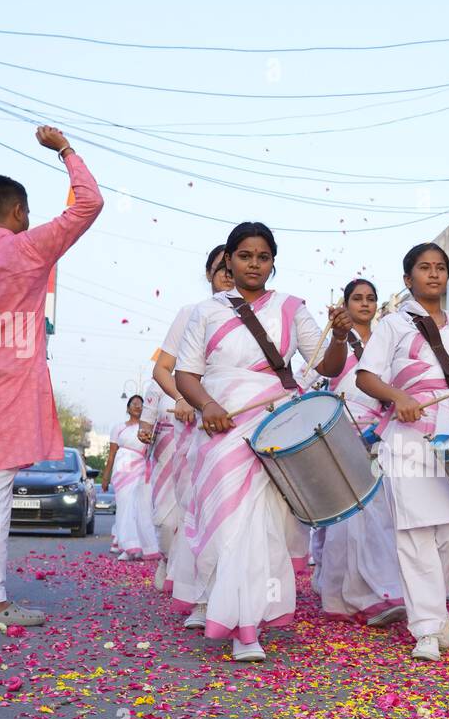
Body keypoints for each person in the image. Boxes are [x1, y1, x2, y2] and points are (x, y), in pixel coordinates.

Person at [173, 221, 351, 663]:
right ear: (229, 261)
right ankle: (235, 617)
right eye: (246, 256)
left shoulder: (292, 308)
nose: (254, 264)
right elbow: (185, 375)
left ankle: (248, 624)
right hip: (222, 430)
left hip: (275, 427)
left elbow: (326, 365)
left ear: (273, 262)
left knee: (265, 526)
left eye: (263, 256)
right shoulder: (206, 311)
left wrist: (342, 336)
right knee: (230, 527)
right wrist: (208, 405)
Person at [0, 127, 103, 628]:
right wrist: (64, 149)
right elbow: (89, 203)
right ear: (18, 213)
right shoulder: (30, 249)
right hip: (6, 393)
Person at [355, 243, 449, 662]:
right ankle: (426, 628)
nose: (435, 274)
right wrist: (397, 396)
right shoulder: (392, 324)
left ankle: (430, 606)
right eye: (425, 268)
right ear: (408, 279)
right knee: (415, 533)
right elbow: (366, 377)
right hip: (405, 437)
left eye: (441, 268)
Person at [140, 245, 233, 605]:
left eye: (232, 265)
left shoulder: (264, 314)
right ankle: (192, 586)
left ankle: (225, 597)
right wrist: (184, 399)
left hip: (240, 424)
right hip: (194, 426)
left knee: (230, 514)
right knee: (184, 512)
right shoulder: (192, 313)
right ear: (208, 274)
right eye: (219, 268)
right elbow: (162, 369)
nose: (227, 273)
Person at [314, 278, 406, 627]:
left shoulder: (388, 338)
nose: (365, 304)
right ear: (346, 303)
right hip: (344, 434)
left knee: (379, 517)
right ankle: (342, 597)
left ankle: (379, 594)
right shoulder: (334, 339)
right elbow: (326, 372)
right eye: (357, 298)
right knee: (346, 521)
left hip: (382, 433)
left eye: (371, 298)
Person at [102, 396, 160, 562]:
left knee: (140, 507)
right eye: (134, 404)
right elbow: (112, 454)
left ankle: (142, 546)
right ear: (128, 408)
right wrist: (105, 476)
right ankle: (127, 545)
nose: (137, 407)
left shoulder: (148, 429)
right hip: (122, 470)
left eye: (141, 405)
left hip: (140, 469)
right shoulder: (119, 428)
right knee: (124, 506)